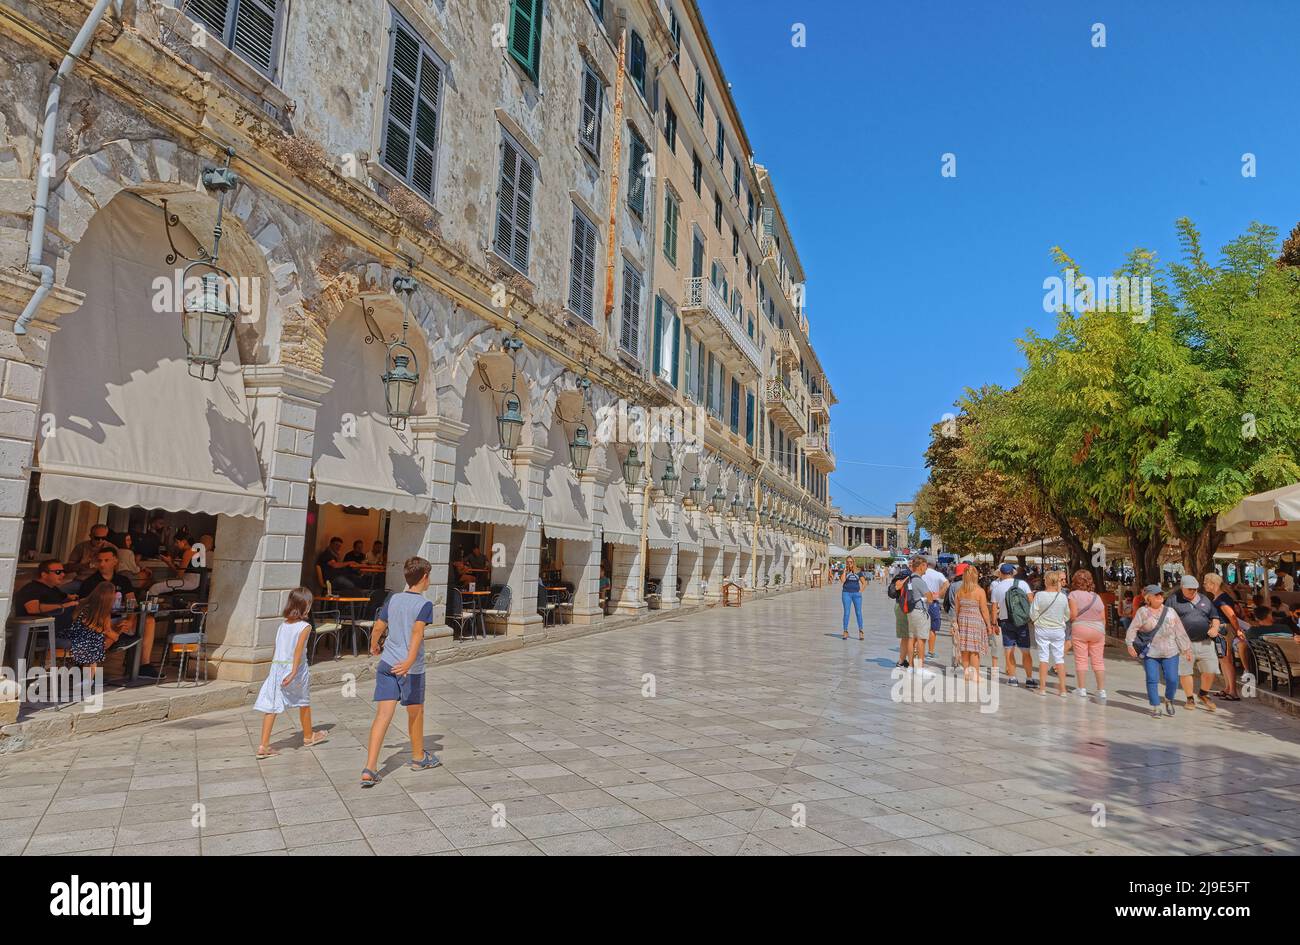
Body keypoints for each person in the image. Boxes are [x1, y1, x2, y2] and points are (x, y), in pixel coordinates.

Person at [361, 556, 439, 787]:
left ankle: (370, 767)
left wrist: (374, 645)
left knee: (382, 715)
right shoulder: (424, 605)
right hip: (410, 669)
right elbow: (417, 634)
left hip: (387, 664)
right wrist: (408, 661)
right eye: (429, 576)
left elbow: (378, 625)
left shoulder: (393, 599)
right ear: (424, 577)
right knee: (415, 713)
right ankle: (418, 757)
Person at [254, 587, 327, 758]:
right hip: (296, 668)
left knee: (272, 705)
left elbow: (278, 647)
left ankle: (263, 745)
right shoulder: (305, 626)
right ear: (305, 606)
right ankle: (308, 736)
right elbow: (299, 650)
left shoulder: (283, 625)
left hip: (277, 667)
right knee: (303, 701)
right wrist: (294, 671)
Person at [1127, 583, 1194, 719]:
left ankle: (1169, 699)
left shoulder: (1170, 611)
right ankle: (1156, 706)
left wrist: (1186, 649)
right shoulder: (1143, 612)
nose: (1160, 596)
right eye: (1156, 595)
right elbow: (1133, 628)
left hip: (1170, 651)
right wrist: (1129, 644)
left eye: (1161, 594)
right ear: (1148, 598)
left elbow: (1179, 630)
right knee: (1152, 679)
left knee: (1172, 679)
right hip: (1151, 652)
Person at [1167, 575, 1221, 712]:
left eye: (1195, 589)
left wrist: (1215, 628)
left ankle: (1203, 694)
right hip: (1185, 644)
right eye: (1190, 589)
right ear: (1182, 587)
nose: (1193, 591)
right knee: (1185, 672)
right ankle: (1189, 698)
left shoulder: (1204, 599)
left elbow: (1215, 617)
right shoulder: (1173, 600)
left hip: (1205, 642)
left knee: (1210, 670)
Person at [990, 562, 1036, 688]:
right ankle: (1030, 679)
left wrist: (993, 624)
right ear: (1012, 573)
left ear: (1001, 573)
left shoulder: (997, 588)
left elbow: (994, 608)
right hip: (1022, 621)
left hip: (1005, 622)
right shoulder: (1022, 584)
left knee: (1009, 651)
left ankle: (1012, 678)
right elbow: (1031, 601)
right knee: (1026, 651)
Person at [66, 582, 116, 689]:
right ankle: (88, 680)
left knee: (96, 641)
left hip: (75, 633)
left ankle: (88, 679)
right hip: (81, 636)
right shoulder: (95, 609)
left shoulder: (85, 603)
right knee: (96, 643)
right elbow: (92, 625)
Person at [1067, 569, 1107, 701]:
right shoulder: (1096, 596)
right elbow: (1103, 617)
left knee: (1081, 659)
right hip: (1098, 630)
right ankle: (1101, 690)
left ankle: (1082, 688)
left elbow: (1073, 614)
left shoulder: (1073, 595)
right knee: (1098, 660)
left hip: (1081, 628)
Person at [1203, 572, 1243, 701]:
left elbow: (1232, 616)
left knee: (1227, 660)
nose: (1204, 585)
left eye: (1205, 583)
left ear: (1213, 584)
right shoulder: (1218, 597)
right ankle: (1228, 688)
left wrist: (1238, 630)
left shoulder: (1222, 599)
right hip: (1221, 630)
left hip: (1224, 630)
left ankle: (1233, 691)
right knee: (1223, 660)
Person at [889, 556, 933, 671]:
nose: (926, 569)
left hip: (907, 608)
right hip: (907, 608)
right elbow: (898, 587)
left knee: (909, 637)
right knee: (913, 638)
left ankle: (909, 664)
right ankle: (910, 664)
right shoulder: (911, 577)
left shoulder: (911, 577)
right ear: (920, 566)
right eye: (925, 566)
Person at [952, 565, 993, 681]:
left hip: (963, 620)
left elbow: (957, 610)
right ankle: (975, 675)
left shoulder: (959, 591)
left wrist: (956, 624)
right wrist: (989, 625)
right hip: (975, 621)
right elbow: (984, 610)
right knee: (974, 650)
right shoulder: (979, 591)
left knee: (964, 648)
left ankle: (966, 673)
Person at [15, 560, 79, 634]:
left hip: (57, 630)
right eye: (58, 572)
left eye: (63, 571)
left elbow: (68, 597)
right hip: (38, 633)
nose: (63, 575)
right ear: (44, 574)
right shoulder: (32, 588)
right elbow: (32, 609)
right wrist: (62, 606)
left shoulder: (53, 588)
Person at [915, 558, 949, 662]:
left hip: (920, 602)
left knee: (919, 628)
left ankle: (917, 650)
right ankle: (930, 652)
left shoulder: (920, 573)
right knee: (932, 629)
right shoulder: (938, 574)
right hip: (933, 603)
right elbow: (947, 584)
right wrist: (939, 594)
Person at [841, 558, 865, 640]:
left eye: (850, 562)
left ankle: (861, 631)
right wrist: (844, 571)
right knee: (846, 612)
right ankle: (845, 631)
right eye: (847, 562)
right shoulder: (845, 571)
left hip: (856, 594)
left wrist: (860, 591)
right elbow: (842, 581)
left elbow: (864, 583)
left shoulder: (858, 571)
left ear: (853, 562)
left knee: (858, 612)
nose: (849, 563)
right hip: (846, 593)